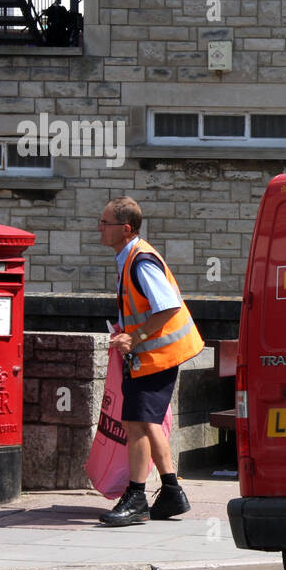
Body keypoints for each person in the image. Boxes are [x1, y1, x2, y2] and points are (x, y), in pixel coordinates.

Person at [96, 196, 205, 526]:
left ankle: (136, 498)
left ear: (125, 229)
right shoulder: (129, 257)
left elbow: (168, 307)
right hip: (152, 355)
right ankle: (171, 492)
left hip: (156, 355)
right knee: (147, 422)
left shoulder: (141, 261)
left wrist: (135, 337)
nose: (99, 228)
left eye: (105, 223)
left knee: (136, 424)